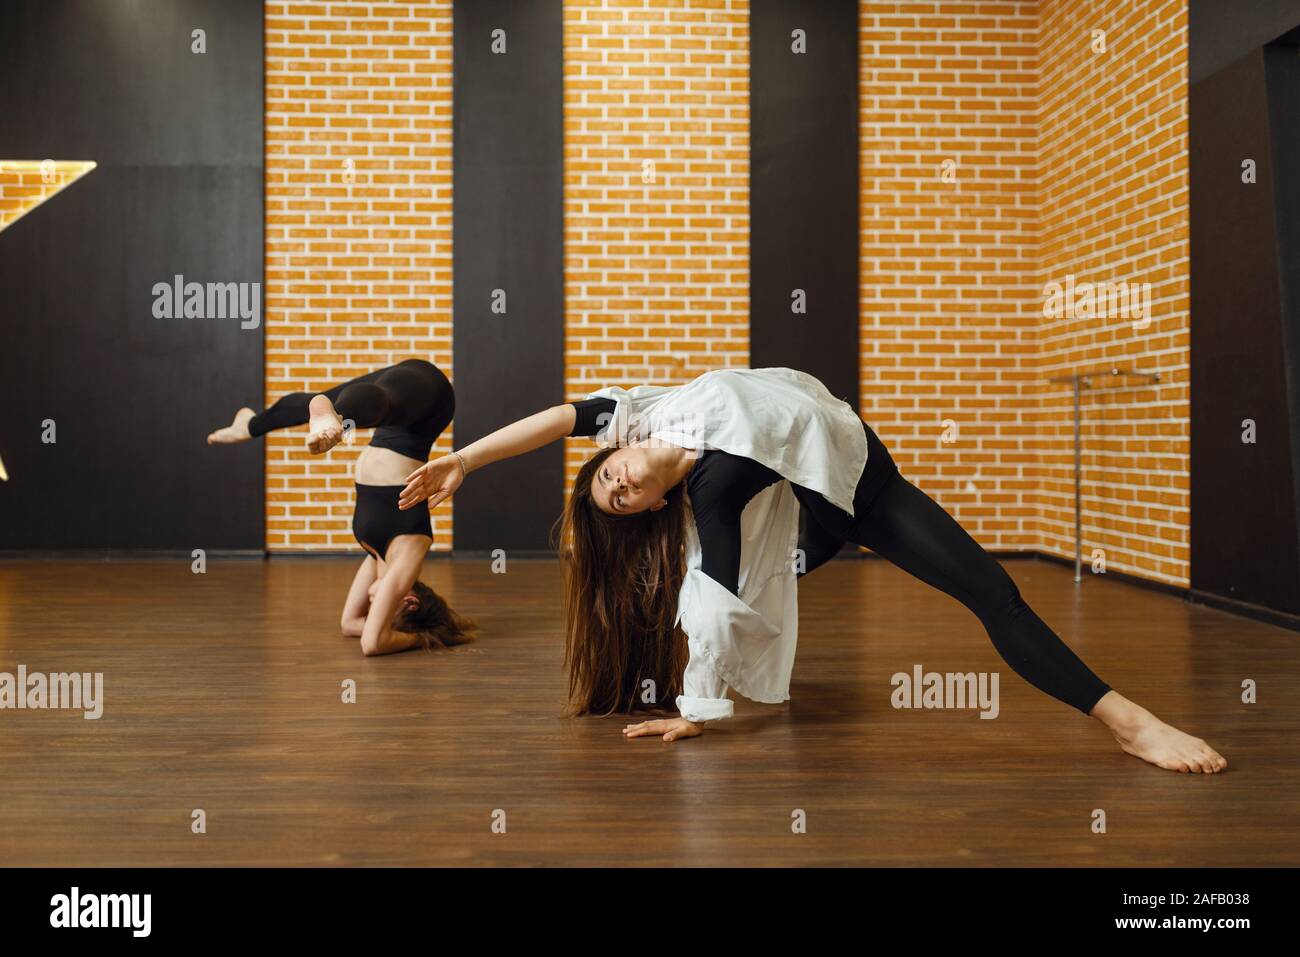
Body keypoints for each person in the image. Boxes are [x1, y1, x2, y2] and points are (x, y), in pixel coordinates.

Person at [398, 366, 1226, 773]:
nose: (617, 484)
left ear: (614, 457)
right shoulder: (712, 500)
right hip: (829, 512)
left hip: (864, 475)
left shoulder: (635, 411)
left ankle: (1121, 717)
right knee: (762, 580)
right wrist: (700, 708)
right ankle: (1134, 724)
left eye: (606, 478)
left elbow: (554, 418)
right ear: (648, 510)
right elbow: (714, 605)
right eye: (619, 501)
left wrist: (464, 458)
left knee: (994, 593)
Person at [208, 359, 474, 656]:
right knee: (377, 403)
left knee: (334, 401)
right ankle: (334, 414)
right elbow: (373, 643)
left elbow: (349, 624)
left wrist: (390, 627)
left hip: (396, 420)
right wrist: (422, 638)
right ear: (410, 601)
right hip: (431, 403)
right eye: (383, 611)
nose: (374, 607)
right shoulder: (407, 558)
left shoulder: (378, 556)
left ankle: (251, 424)